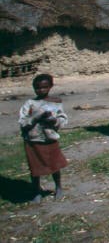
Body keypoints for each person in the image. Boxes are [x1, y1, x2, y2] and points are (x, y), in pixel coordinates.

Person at [19, 74, 68, 203]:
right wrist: (35, 117)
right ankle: (37, 192)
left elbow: (63, 119)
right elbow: (23, 122)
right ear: (34, 88)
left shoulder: (56, 103)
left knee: (54, 165)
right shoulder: (30, 104)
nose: (41, 90)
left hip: (49, 140)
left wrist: (54, 121)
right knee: (35, 169)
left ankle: (58, 187)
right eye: (38, 88)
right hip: (33, 140)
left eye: (44, 87)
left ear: (50, 87)